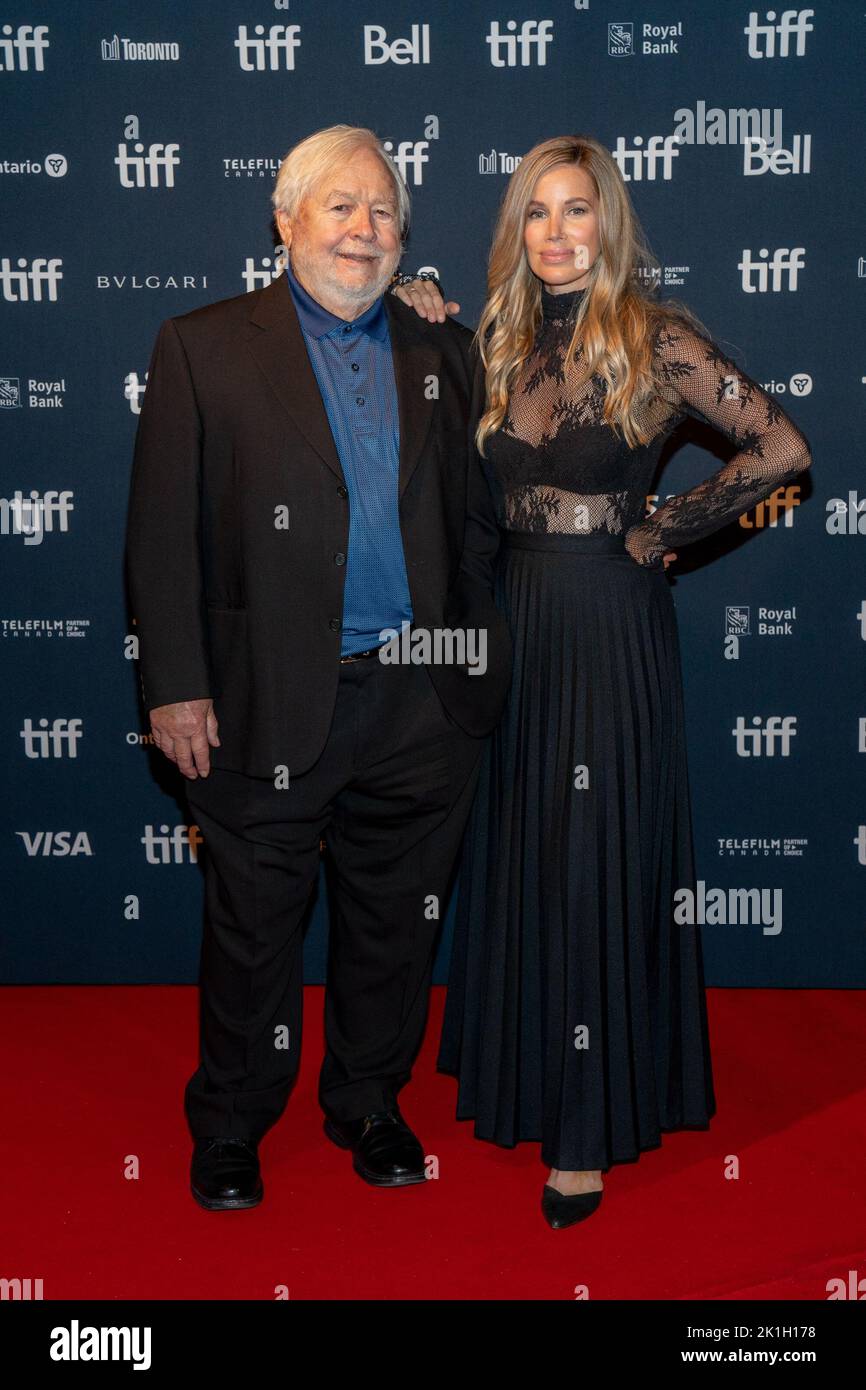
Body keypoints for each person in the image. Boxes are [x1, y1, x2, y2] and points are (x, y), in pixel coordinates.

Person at [394, 133, 812, 1228]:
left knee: (590, 861)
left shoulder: (656, 336)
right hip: (514, 623)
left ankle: (582, 1134)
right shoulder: (501, 339)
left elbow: (777, 448)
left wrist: (662, 524)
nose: (556, 234)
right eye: (536, 214)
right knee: (524, 852)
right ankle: (522, 1079)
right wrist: (423, 310)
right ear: (516, 231)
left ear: (607, 223)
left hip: (606, 621)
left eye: (575, 211)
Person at [125, 125, 511, 1210]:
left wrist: (466, 644)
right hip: (260, 700)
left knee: (396, 922)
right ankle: (234, 1123)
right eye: (339, 206)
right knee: (251, 929)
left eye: (383, 211)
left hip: (421, 698)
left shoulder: (444, 345)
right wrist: (174, 683)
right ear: (284, 220)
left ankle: (368, 1102)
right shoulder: (202, 345)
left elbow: (475, 521)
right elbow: (159, 535)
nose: (364, 228)